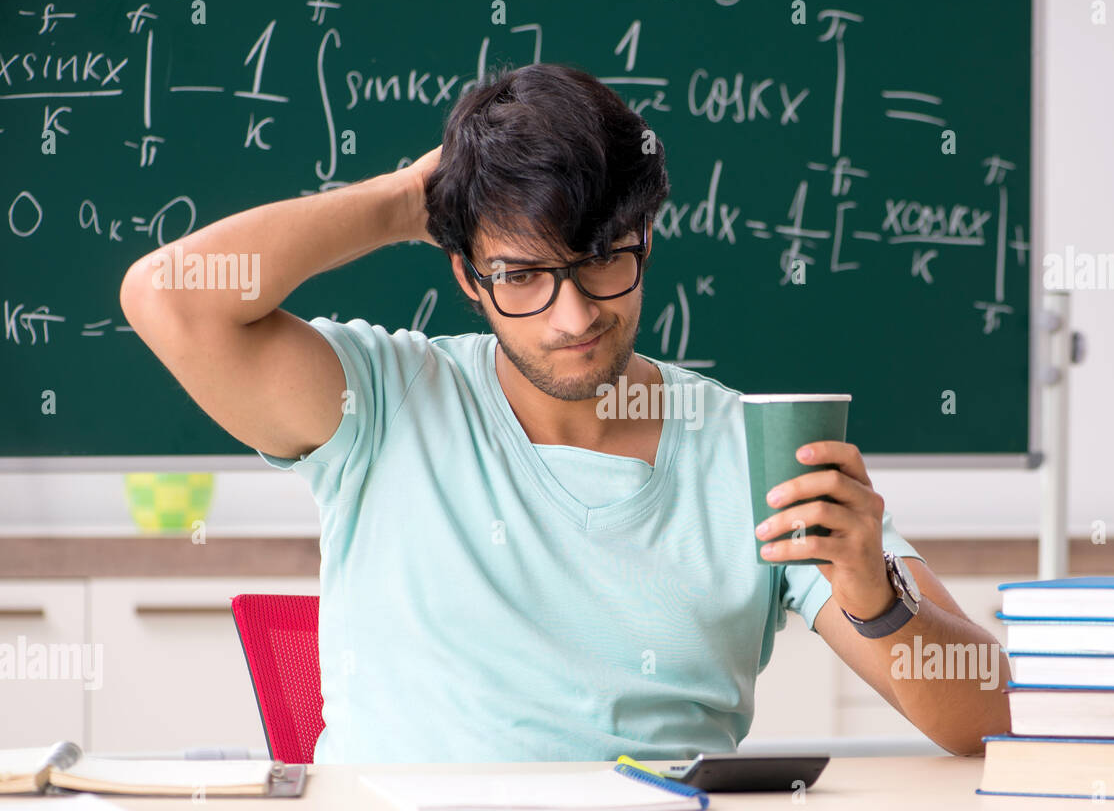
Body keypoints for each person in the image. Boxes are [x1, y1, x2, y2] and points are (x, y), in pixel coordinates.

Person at [120, 62, 1009, 763]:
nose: (574, 315)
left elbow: (989, 714)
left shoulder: (752, 447)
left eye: (602, 262)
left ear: (645, 241)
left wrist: (874, 598)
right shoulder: (381, 404)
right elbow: (169, 296)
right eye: (522, 275)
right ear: (467, 274)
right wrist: (403, 201)